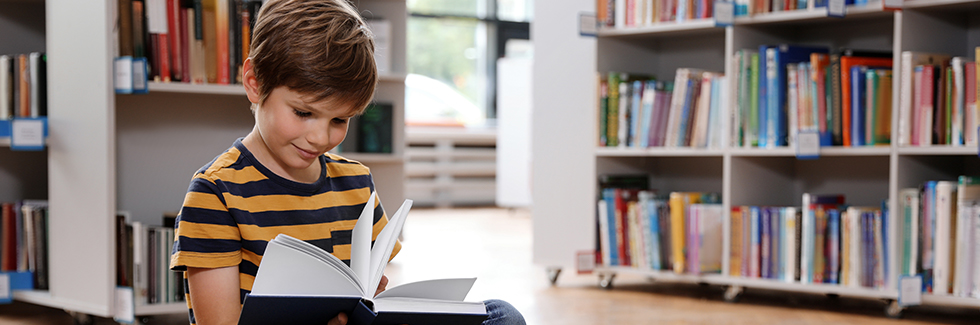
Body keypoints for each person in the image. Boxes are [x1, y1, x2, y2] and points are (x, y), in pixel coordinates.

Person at [169, 0, 525, 324]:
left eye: (339, 119)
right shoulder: (215, 193)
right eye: (304, 112)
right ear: (254, 83)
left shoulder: (356, 181)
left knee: (501, 315)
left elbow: (372, 292)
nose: (320, 137)